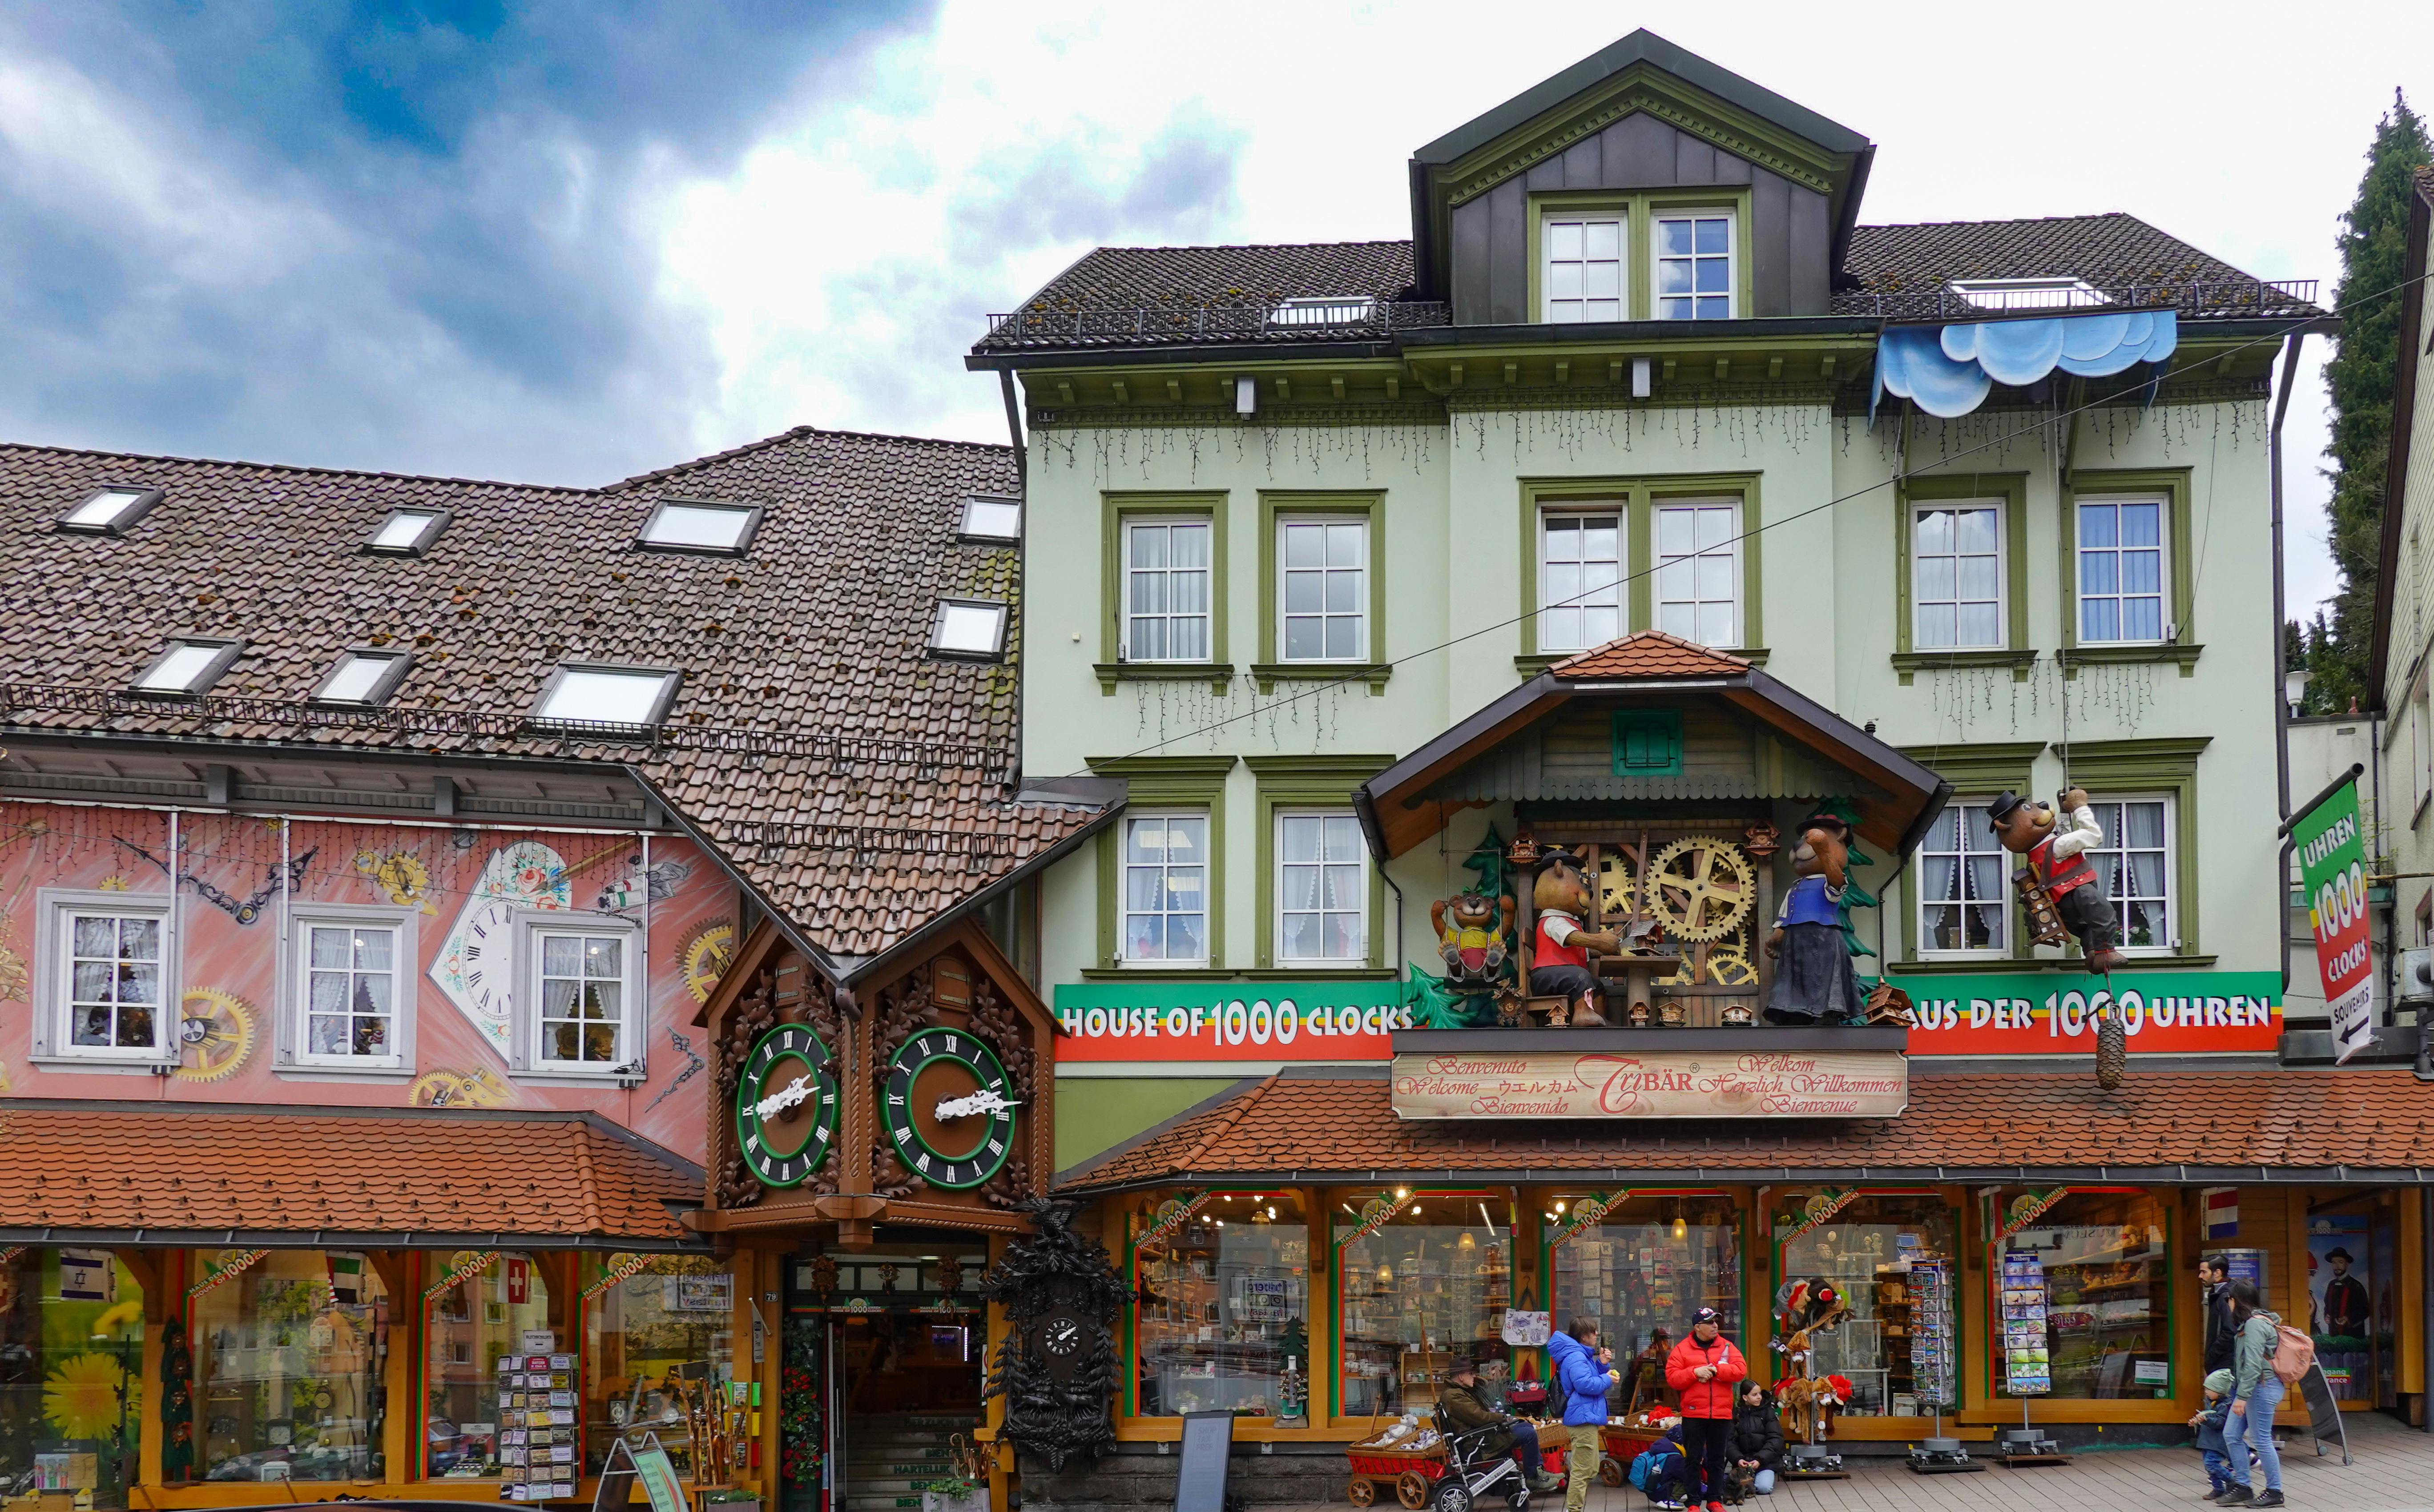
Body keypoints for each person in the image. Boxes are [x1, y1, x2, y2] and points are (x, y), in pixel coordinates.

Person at [1664, 1306, 1749, 1512]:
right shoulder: (1682, 1349)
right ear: (1697, 1327)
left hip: (1721, 1413)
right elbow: (1673, 1378)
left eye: (1716, 1321)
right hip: (1694, 1413)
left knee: (1717, 1459)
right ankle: (1693, 1502)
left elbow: (1741, 1371)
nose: (1715, 1326)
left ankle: (1714, 1500)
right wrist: (1695, 1372)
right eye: (1710, 1322)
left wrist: (1716, 1369)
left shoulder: (1727, 1346)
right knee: (1693, 1459)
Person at [1438, 1359, 1564, 1494]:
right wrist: (1502, 1418)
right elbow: (1479, 1417)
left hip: (1481, 1436)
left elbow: (1478, 1414)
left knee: (1526, 1427)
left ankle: (1538, 1472)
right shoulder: (1453, 1396)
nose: (1474, 1376)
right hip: (1477, 1442)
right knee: (1529, 1435)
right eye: (1471, 1373)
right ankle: (1533, 1478)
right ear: (1461, 1377)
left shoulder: (1461, 1392)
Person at [2220, 1279, 2285, 1508]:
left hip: (2260, 1387)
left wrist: (2242, 1397)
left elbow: (2253, 1365)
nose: (2228, 1303)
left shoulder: (2255, 1325)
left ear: (2235, 1301)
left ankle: (2275, 1491)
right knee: (2231, 1435)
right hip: (2252, 1387)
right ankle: (2243, 1486)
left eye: (2229, 1299)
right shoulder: (2250, 1323)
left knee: (2261, 1440)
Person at [1548, 1317, 1620, 1512]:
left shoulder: (1579, 1355)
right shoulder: (1576, 1357)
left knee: (1589, 1468)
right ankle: (1574, 1510)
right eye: (1594, 1332)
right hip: (1583, 1418)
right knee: (1583, 1470)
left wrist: (1602, 1365)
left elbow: (1586, 1378)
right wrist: (1607, 1378)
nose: (1596, 1335)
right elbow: (1586, 1385)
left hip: (1585, 1416)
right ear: (1583, 1336)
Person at [1725, 1380, 1783, 1499]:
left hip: (1765, 1463)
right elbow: (1729, 1441)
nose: (1759, 1397)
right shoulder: (1737, 1414)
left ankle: (1748, 1486)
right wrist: (1738, 1459)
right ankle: (1746, 1486)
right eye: (1755, 1395)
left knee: (1764, 1488)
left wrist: (1760, 1459)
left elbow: (1776, 1439)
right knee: (1732, 1485)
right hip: (1743, 1464)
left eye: (1760, 1394)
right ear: (1745, 1398)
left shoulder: (1768, 1412)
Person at [2191, 1368, 2239, 1502]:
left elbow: (2220, 1423)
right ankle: (2218, 1488)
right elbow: (2207, 1417)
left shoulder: (2225, 1405)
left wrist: (2206, 1420)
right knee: (2209, 1466)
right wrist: (2197, 1421)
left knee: (2211, 1464)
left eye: (2208, 1389)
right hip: (2207, 1441)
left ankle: (2231, 1481)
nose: (2206, 1392)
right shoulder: (2210, 1403)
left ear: (2219, 1391)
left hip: (2217, 1442)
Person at [2200, 1256, 2238, 1375]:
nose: (2200, 1276)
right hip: (2225, 1364)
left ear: (2217, 1273)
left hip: (2224, 1366)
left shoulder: (2225, 1295)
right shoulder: (2219, 1292)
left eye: (2204, 1272)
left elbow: (2230, 1331)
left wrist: (2211, 1356)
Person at [2320, 1247, 2370, 1338]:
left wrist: (2349, 1318)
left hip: (2353, 1336)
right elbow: (2327, 1306)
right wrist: (2327, 1316)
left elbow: (2366, 1310)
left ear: (2347, 1264)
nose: (2337, 1266)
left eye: (2341, 1262)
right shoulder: (2331, 1285)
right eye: (2334, 1263)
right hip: (2334, 1336)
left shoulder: (2356, 1286)